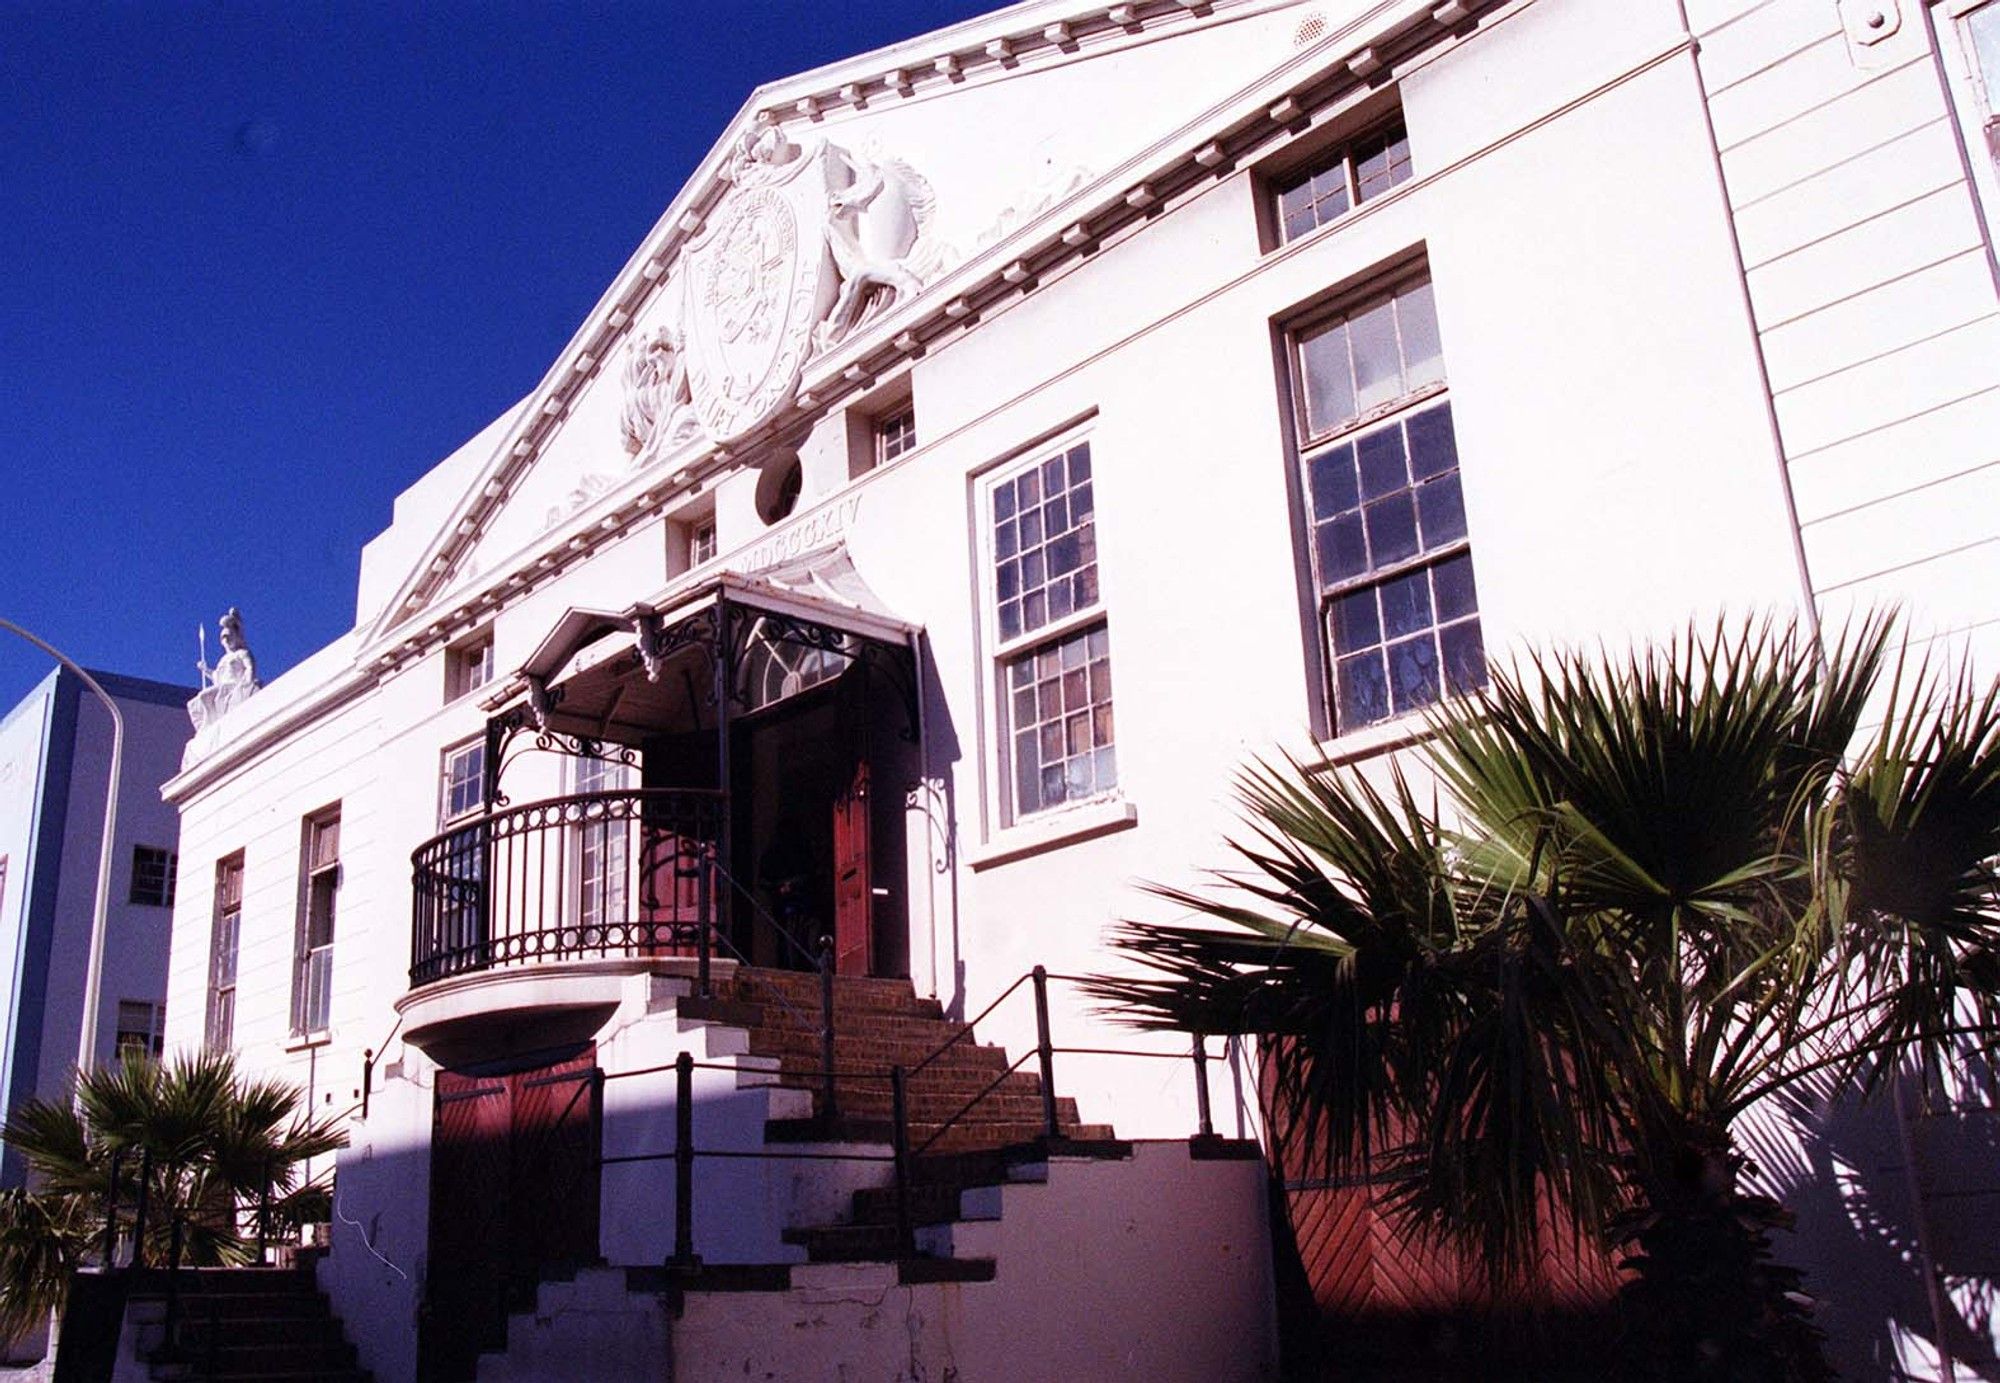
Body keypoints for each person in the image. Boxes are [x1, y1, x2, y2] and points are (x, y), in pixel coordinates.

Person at [188, 607, 261, 731]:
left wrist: (248, 684)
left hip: (233, 686)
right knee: (193, 704)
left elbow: (250, 668)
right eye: (223, 637)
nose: (226, 640)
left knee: (205, 696)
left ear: (236, 636)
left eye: (228, 636)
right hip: (223, 686)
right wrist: (205, 670)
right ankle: (206, 725)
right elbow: (217, 677)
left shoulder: (242, 653)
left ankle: (209, 723)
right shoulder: (223, 660)